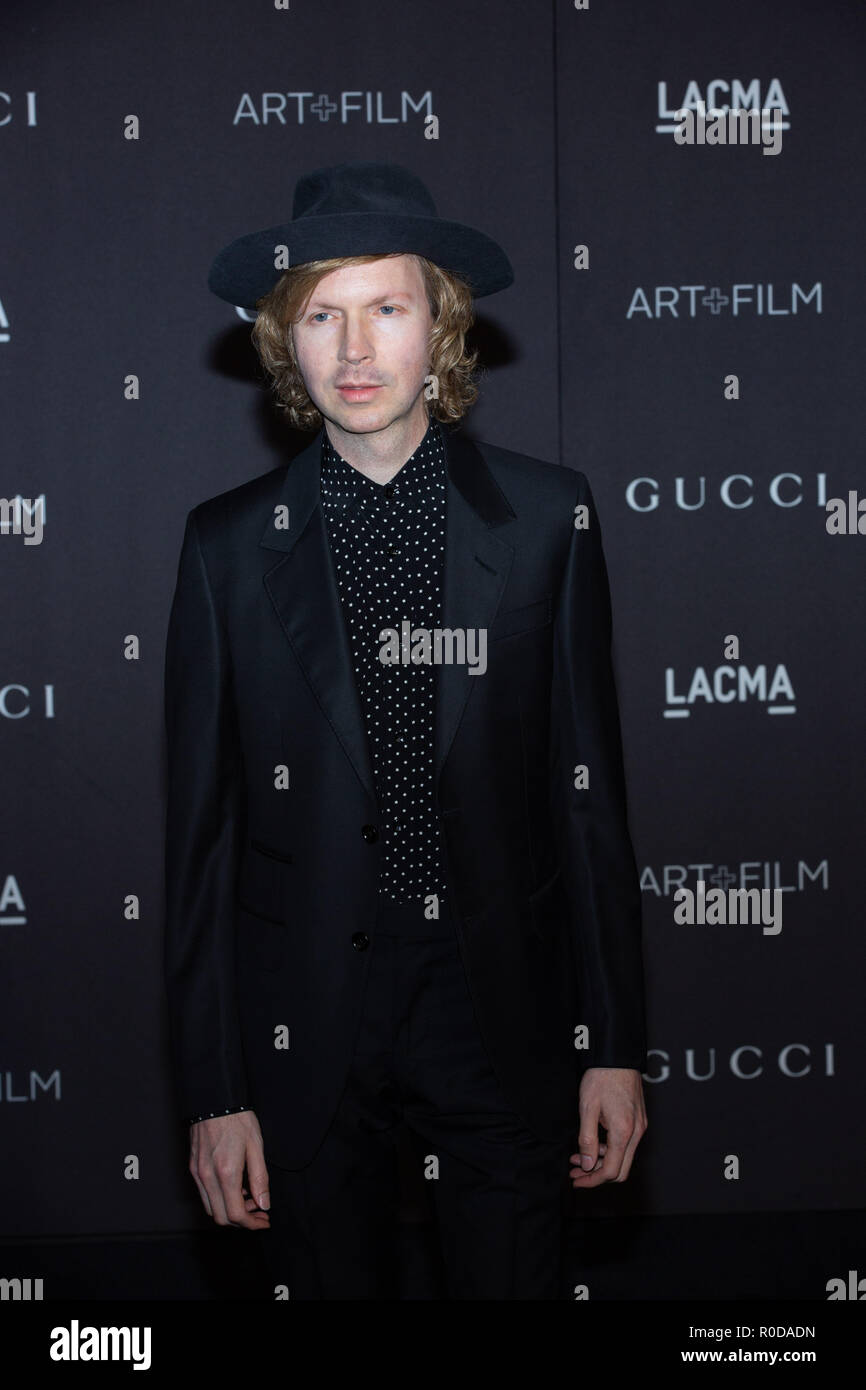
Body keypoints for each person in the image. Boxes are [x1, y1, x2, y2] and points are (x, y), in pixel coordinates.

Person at [163, 160, 648, 1300]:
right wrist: (212, 1086)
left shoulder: (545, 519)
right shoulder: (226, 547)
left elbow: (589, 801)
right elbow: (201, 840)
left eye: (385, 307)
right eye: (320, 315)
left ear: (439, 325)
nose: (354, 349)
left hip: (501, 1010)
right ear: (286, 342)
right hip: (302, 1028)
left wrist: (615, 1044)